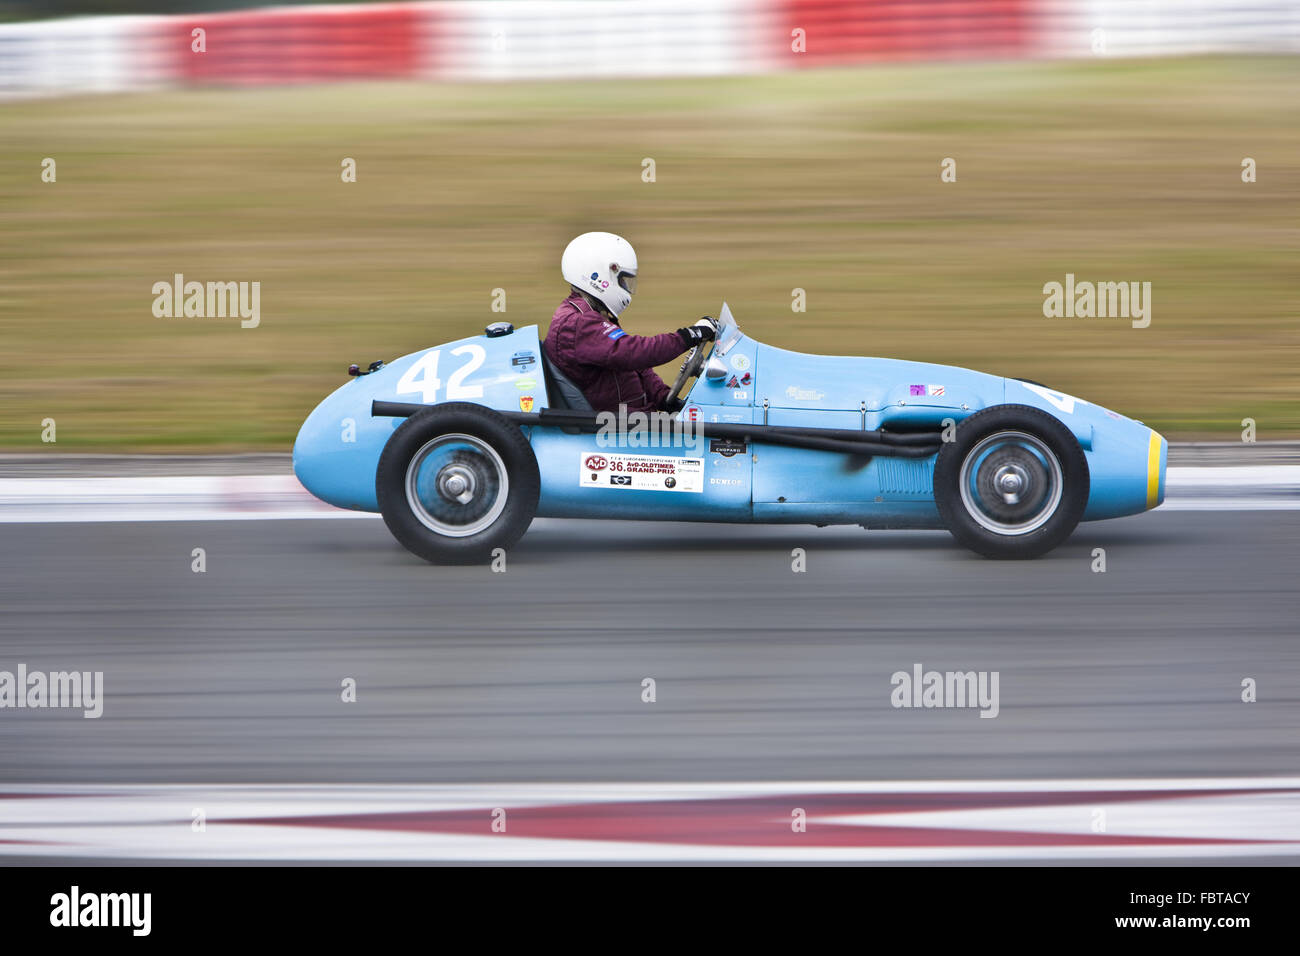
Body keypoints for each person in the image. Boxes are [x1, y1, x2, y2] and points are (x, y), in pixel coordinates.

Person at [543, 231, 716, 414]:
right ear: (597, 276)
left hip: (631, 420)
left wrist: (663, 397)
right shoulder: (577, 324)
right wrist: (689, 336)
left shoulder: (588, 315)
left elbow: (634, 366)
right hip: (615, 426)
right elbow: (634, 353)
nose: (626, 287)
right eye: (622, 280)